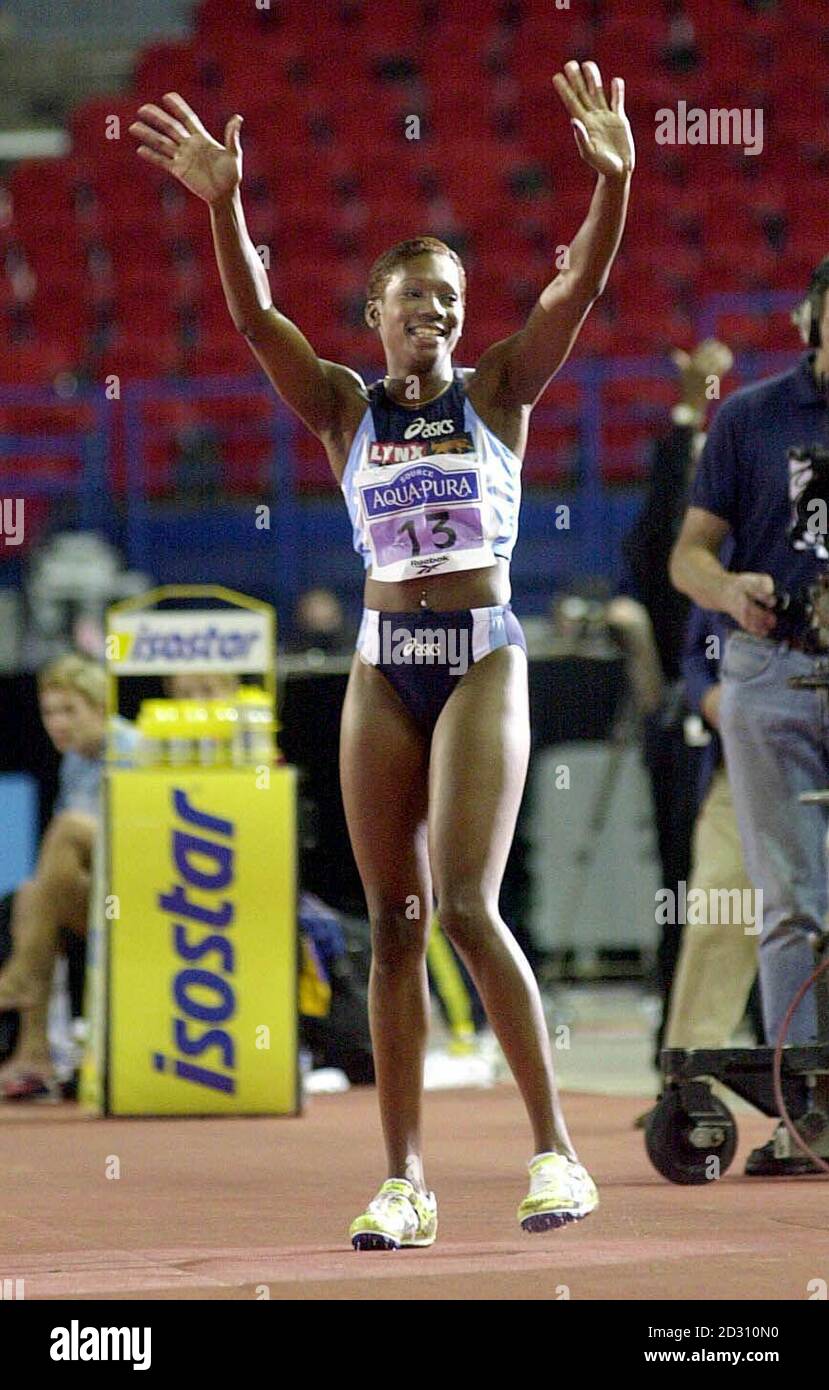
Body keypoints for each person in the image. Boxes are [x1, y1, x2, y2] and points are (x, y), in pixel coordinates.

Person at [129, 60, 635, 1245]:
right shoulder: (345, 409)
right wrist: (223, 205)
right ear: (377, 316)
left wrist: (610, 184)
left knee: (465, 902)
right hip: (380, 659)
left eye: (451, 301)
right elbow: (255, 319)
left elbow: (583, 290)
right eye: (416, 301)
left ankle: (557, 1154)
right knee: (395, 915)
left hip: (481, 655)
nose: (438, 317)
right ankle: (403, 1180)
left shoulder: (502, 391)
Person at [670, 256, 829, 1175]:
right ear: (811, 320)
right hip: (771, 671)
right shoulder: (748, 418)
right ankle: (803, 1114)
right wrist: (729, 590)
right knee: (787, 904)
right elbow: (686, 558)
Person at [622, 339, 734, 1066]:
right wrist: (688, 410)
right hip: (689, 719)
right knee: (684, 890)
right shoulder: (673, 533)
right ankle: (681, 1060)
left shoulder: (760, 513)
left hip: (762, 710)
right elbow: (658, 534)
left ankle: (781, 1055)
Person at [0, 655, 135, 1099]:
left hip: (147, 892)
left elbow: (141, 839)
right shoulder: (74, 761)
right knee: (31, 895)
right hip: (101, 896)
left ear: (99, 709)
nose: (55, 723)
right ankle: (34, 1055)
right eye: (48, 712)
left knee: (69, 828)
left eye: (68, 711)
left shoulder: (132, 748)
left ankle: (21, 977)